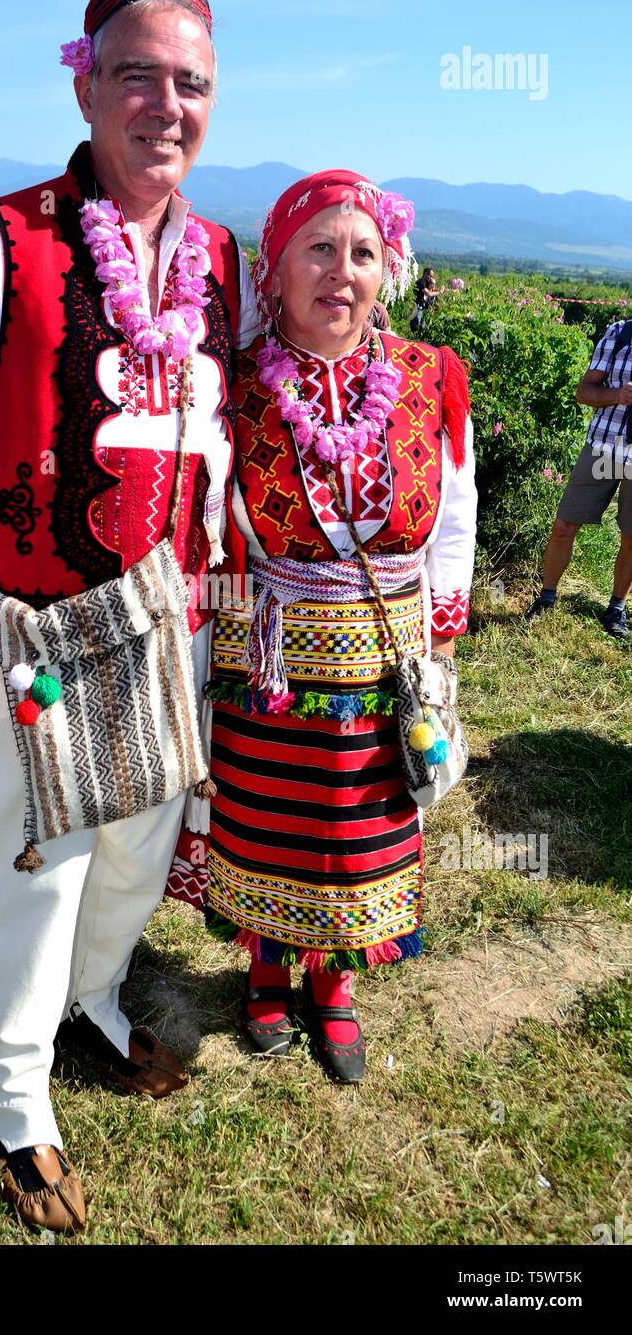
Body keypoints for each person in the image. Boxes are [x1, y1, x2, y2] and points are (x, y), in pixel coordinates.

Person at [0, 0, 260, 1234]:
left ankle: (88, 998)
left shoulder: (219, 260)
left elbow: (220, 443)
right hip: (43, 620)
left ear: (213, 101)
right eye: (134, 73)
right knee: (42, 858)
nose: (163, 102)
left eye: (187, 81)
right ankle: (9, 1100)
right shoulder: (0, 237)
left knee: (141, 844)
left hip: (174, 621)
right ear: (83, 82)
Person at [169, 170, 477, 1082]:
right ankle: (265, 967)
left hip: (386, 656)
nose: (341, 273)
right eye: (320, 249)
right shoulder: (229, 386)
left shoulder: (428, 378)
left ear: (389, 271)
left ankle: (332, 983)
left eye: (364, 253)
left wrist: (442, 636)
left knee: (361, 823)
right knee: (268, 816)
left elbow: (454, 511)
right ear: (276, 268)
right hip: (267, 651)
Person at [526, 317, 632, 639]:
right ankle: (546, 598)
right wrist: (619, 395)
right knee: (564, 525)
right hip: (604, 444)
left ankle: (616, 607)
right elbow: (584, 391)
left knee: (631, 537)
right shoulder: (619, 333)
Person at [409, 266, 439, 335]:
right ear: (425, 274)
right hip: (417, 308)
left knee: (422, 328)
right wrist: (439, 292)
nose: (431, 278)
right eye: (430, 276)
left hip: (423, 308)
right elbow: (429, 293)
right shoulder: (420, 283)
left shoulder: (425, 284)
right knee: (416, 327)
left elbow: (432, 289)